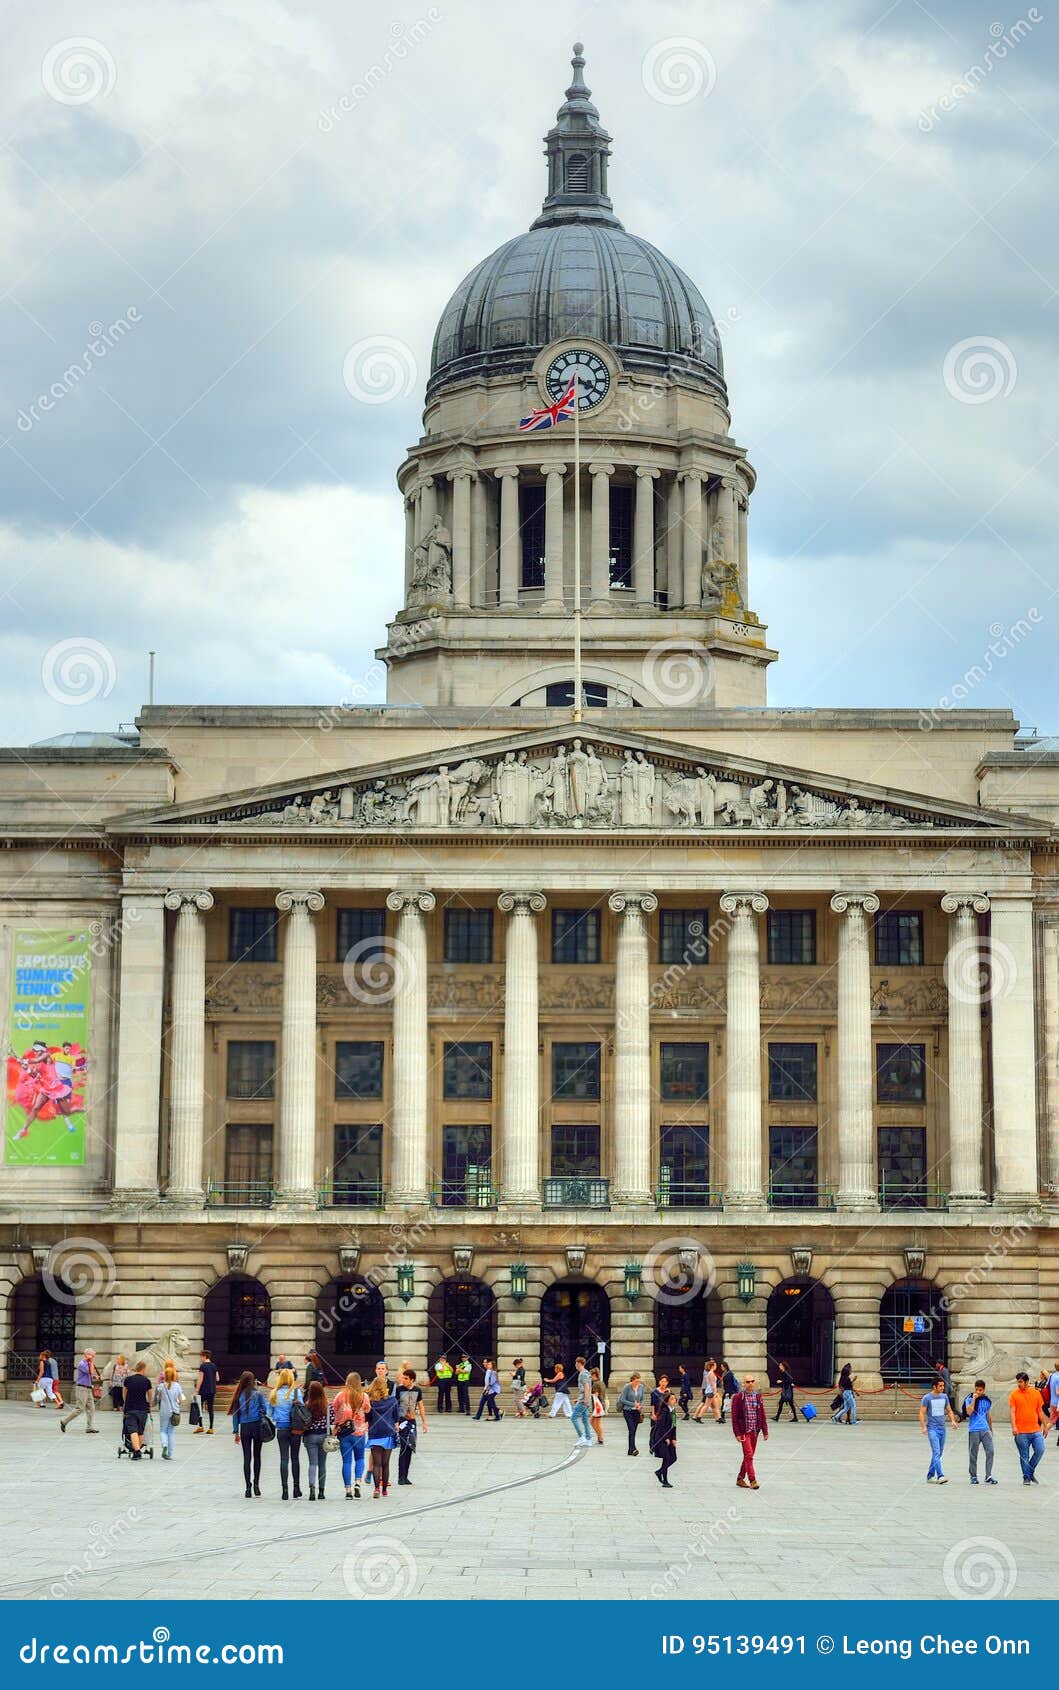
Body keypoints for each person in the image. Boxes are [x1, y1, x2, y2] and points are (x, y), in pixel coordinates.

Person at [230, 1370, 271, 1497]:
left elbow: (235, 1416)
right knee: (257, 1456)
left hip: (245, 1428)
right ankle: (257, 1485)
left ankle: (248, 1487)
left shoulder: (238, 1396)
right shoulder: (258, 1394)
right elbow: (266, 1409)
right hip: (257, 1426)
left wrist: (236, 1431)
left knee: (246, 1458)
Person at [331, 1371, 369, 1500]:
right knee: (360, 1459)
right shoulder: (364, 1396)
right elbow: (368, 1409)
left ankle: (348, 1489)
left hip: (344, 1432)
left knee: (346, 1461)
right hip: (360, 1432)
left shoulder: (340, 1396)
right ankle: (358, 1482)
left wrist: (338, 1422)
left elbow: (334, 1409)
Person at [270, 1368, 304, 1500]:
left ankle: (284, 1490)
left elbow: (270, 1412)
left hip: (281, 1428)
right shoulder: (296, 1392)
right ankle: (296, 1488)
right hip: (295, 1428)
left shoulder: (274, 1393)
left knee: (284, 1458)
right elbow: (301, 1409)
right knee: (295, 1458)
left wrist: (277, 1416)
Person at [1009, 1370, 1047, 1485]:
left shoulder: (1036, 1393)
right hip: (1021, 1431)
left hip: (1035, 1429)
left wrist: (1045, 1425)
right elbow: (1012, 1412)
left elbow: (1040, 1411)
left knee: (1040, 1450)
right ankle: (1026, 1478)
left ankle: (1029, 1472)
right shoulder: (1014, 1394)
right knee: (1024, 1455)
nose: (1018, 1384)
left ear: (1026, 1382)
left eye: (1020, 1382)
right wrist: (1014, 1427)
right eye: (1018, 1382)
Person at [732, 1373, 769, 1490]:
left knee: (749, 1456)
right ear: (744, 1383)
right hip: (744, 1431)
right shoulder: (738, 1397)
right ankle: (753, 1480)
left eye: (752, 1381)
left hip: (755, 1431)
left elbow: (762, 1414)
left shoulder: (758, 1397)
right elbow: (734, 1417)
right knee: (749, 1454)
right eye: (748, 1382)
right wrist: (737, 1433)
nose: (750, 1384)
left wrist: (765, 1430)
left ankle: (740, 1478)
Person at [919, 1375, 959, 1483]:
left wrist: (953, 1421)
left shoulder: (944, 1397)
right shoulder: (927, 1398)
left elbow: (949, 1410)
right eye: (940, 1386)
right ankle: (940, 1475)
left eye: (943, 1386)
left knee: (939, 1453)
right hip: (932, 1428)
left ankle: (930, 1475)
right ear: (934, 1386)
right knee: (936, 1452)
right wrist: (923, 1427)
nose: (942, 1388)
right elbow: (922, 1413)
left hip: (942, 1429)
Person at [366, 1376, 398, 1497]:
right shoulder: (392, 1400)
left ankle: (376, 1489)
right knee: (386, 1464)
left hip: (374, 1434)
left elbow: (367, 1418)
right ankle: (384, 1489)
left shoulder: (371, 1402)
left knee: (376, 1464)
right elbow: (396, 1417)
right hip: (388, 1433)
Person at [395, 1367, 428, 1486]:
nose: (403, 1380)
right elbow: (394, 1406)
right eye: (403, 1378)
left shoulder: (418, 1390)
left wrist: (424, 1422)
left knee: (410, 1448)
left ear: (412, 1380)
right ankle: (400, 1476)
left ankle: (406, 1476)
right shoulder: (399, 1390)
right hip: (402, 1421)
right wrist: (396, 1422)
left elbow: (421, 1406)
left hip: (412, 1422)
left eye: (406, 1378)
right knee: (403, 1448)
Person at [964, 1379, 998, 1485]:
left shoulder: (986, 1400)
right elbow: (969, 1412)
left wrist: (991, 1428)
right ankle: (973, 1476)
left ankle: (988, 1475)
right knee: (973, 1453)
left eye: (980, 1390)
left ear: (984, 1390)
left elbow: (988, 1414)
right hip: (974, 1429)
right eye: (977, 1389)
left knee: (990, 1451)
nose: (978, 1392)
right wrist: (974, 1400)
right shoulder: (969, 1399)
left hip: (985, 1429)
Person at [60, 1348, 101, 1434]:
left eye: (94, 1356)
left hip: (88, 1388)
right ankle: (64, 1421)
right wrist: (91, 1362)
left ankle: (89, 1427)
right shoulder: (82, 1364)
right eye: (92, 1356)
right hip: (81, 1388)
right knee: (80, 1408)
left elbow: (91, 1374)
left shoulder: (88, 1364)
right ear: (87, 1355)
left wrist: (95, 1377)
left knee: (91, 1408)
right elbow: (91, 1371)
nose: (93, 1357)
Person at [154, 1360, 186, 1461]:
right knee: (171, 1431)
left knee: (163, 1430)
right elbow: (181, 1400)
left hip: (164, 1411)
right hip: (174, 1411)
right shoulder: (177, 1386)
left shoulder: (161, 1386)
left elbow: (158, 1398)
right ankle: (170, 1452)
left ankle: (164, 1446)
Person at [304, 1378, 329, 1501]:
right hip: (324, 1436)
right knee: (322, 1464)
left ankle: (312, 1488)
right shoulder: (327, 1405)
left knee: (312, 1463)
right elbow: (333, 1421)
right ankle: (321, 1491)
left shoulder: (307, 1405)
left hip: (310, 1436)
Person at [121, 1360, 152, 1458]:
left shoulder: (128, 1380)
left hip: (130, 1408)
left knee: (132, 1430)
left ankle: (137, 1451)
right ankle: (138, 1449)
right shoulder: (147, 1381)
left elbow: (124, 1392)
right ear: (143, 1369)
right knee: (140, 1431)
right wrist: (149, 1404)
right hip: (142, 1408)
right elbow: (150, 1394)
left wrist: (126, 1402)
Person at [650, 1388, 677, 1487]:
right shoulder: (665, 1411)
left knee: (673, 1458)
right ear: (667, 1401)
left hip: (669, 1438)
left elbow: (674, 1426)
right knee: (666, 1458)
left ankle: (659, 1471)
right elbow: (660, 1426)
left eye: (675, 1399)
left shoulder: (673, 1411)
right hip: (661, 1438)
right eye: (672, 1399)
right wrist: (666, 1438)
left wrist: (674, 1438)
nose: (674, 1400)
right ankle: (665, 1480)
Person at [618, 1372, 644, 1455]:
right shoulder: (627, 1387)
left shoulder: (641, 1387)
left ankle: (631, 1450)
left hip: (636, 1412)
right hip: (628, 1411)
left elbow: (642, 1398)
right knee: (631, 1429)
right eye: (636, 1381)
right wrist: (633, 1404)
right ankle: (633, 1449)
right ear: (632, 1380)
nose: (638, 1383)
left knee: (634, 1431)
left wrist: (640, 1405)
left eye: (639, 1381)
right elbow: (622, 1399)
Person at [570, 1355, 593, 1447]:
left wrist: (585, 1400)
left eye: (576, 1363)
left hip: (584, 1400)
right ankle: (588, 1439)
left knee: (573, 1417)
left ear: (579, 1363)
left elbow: (587, 1388)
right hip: (584, 1399)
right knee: (585, 1420)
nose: (575, 1365)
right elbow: (586, 1389)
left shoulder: (583, 1374)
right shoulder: (587, 1373)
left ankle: (581, 1437)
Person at [195, 1350, 218, 1434]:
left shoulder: (203, 1366)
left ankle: (201, 1426)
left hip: (203, 1390)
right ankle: (211, 1428)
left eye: (201, 1356)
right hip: (212, 1390)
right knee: (211, 1409)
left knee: (199, 1408)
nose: (200, 1358)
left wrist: (197, 1390)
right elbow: (217, 1378)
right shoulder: (214, 1365)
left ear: (204, 1356)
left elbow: (200, 1379)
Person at [589, 1367, 606, 1444]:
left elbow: (596, 1395)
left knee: (594, 1422)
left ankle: (600, 1437)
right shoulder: (601, 1382)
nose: (590, 1377)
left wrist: (589, 1394)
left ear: (594, 1375)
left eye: (591, 1375)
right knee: (595, 1422)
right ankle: (599, 1437)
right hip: (601, 1404)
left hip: (597, 1406)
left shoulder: (595, 1384)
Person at [1047, 1358, 1059, 1444]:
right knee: (1052, 1421)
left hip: (1052, 1402)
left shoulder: (1052, 1376)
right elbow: (1057, 1391)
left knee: (1051, 1421)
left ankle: (1040, 1436)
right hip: (1058, 1403)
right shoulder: (1058, 1378)